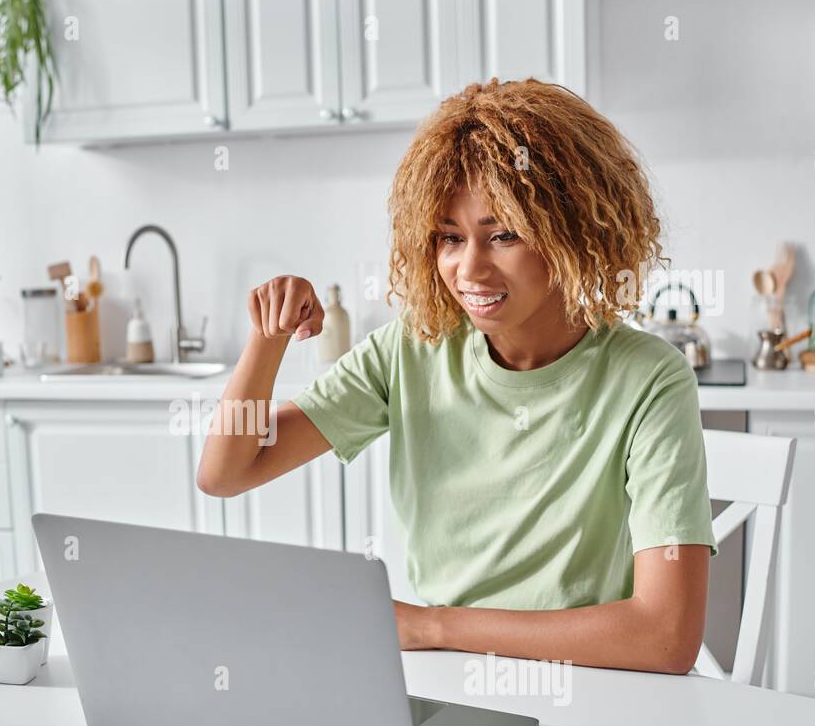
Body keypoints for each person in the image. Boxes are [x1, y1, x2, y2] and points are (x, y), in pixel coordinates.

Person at [196, 78, 717, 675]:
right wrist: (268, 339)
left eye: (504, 235)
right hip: (447, 675)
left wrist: (430, 625)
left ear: (573, 233)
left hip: (593, 680)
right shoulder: (411, 350)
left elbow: (665, 638)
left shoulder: (650, 379)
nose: (469, 268)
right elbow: (224, 473)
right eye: (449, 237)